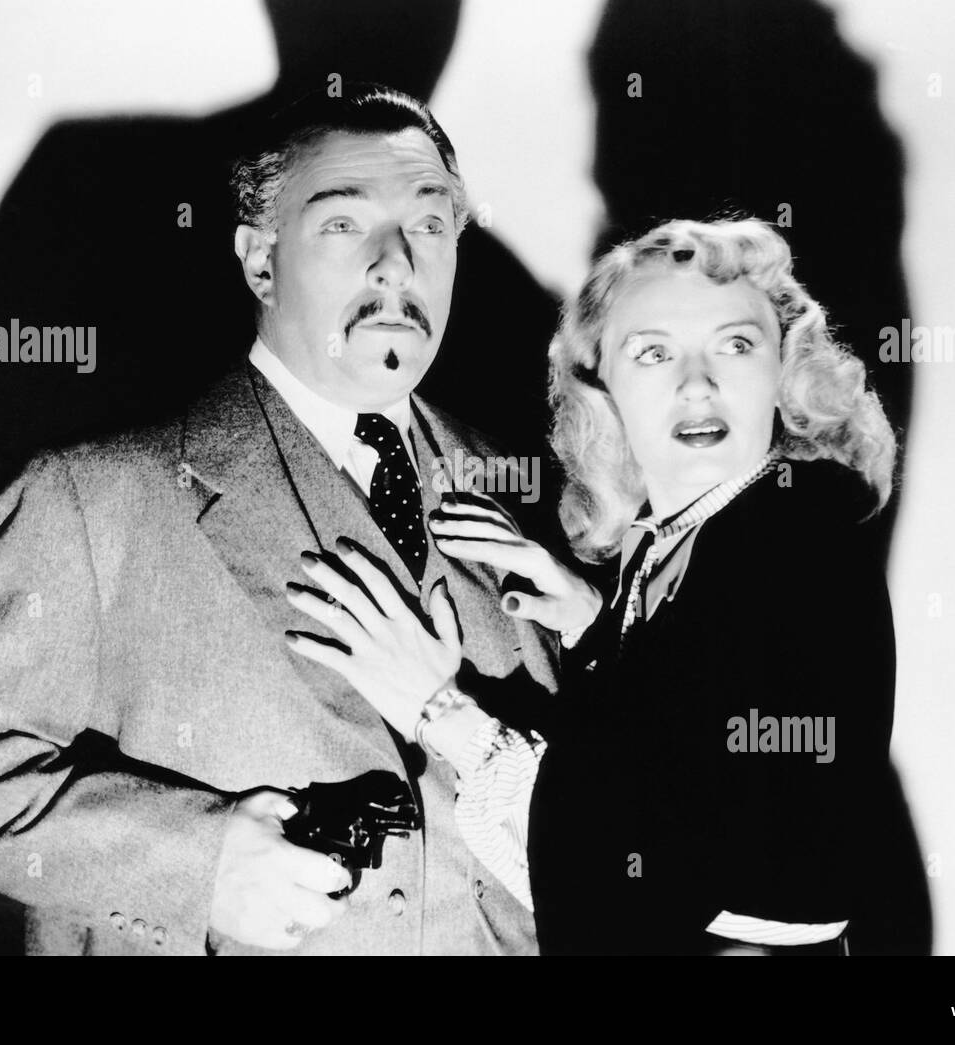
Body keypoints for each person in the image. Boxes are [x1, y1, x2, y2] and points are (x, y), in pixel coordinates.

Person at [0, 85, 556, 956]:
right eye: (344, 225)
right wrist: (198, 861)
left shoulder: (534, 500)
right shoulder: (96, 499)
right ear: (261, 261)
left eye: (427, 225)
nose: (395, 266)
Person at [286, 217, 898, 955]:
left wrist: (438, 709)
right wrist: (598, 624)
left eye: (736, 345)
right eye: (653, 353)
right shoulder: (703, 534)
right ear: (601, 382)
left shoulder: (802, 531)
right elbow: (695, 706)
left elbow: (649, 853)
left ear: (784, 369)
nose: (697, 384)